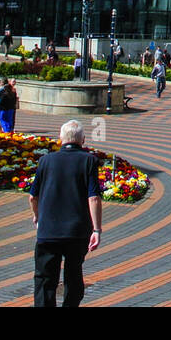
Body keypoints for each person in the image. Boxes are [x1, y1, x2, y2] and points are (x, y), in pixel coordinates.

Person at [28, 119, 103, 307]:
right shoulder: (89, 161)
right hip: (76, 231)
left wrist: (37, 216)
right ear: (83, 140)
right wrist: (97, 230)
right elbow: (93, 198)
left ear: (61, 138)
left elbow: (32, 196)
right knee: (74, 273)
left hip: (48, 230)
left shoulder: (45, 160)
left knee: (45, 277)